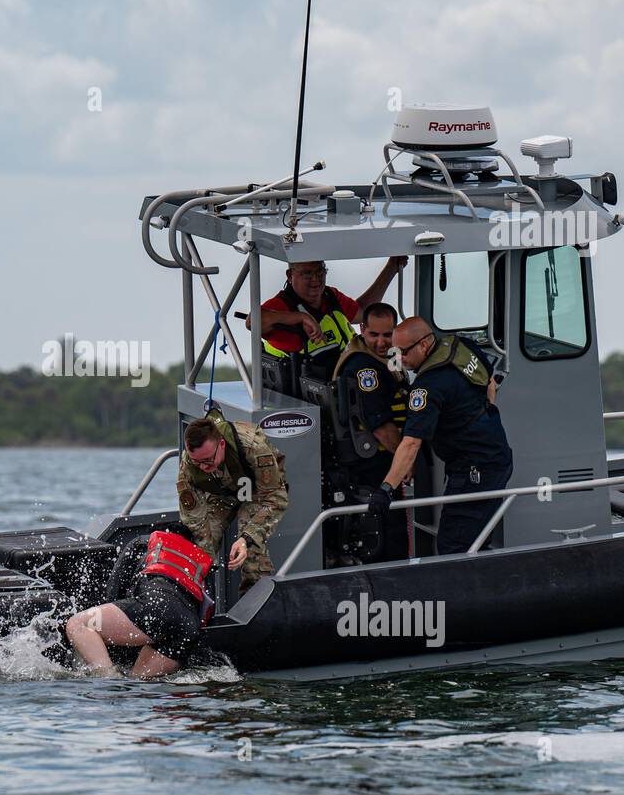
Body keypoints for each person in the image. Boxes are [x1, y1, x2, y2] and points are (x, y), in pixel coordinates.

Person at [367, 317, 513, 555]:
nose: (398, 358)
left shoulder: (428, 387)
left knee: (454, 547)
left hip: (476, 469)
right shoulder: (462, 347)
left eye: (402, 352)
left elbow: (411, 443)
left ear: (424, 345)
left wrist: (386, 489)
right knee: (474, 539)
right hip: (494, 456)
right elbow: (490, 385)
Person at [64, 530, 213, 678]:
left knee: (78, 624)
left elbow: (114, 590)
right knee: (137, 682)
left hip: (158, 607)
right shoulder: (196, 564)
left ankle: (108, 678)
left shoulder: (143, 542)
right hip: (188, 629)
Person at [330, 302, 410, 562]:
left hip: (381, 458)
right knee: (393, 532)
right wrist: (406, 461)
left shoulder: (387, 356)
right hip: (377, 461)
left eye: (387, 335)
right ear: (362, 329)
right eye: (374, 335)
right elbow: (381, 426)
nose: (381, 342)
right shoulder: (366, 368)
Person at [176, 411, 290, 592]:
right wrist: (206, 556)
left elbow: (276, 498)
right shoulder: (189, 465)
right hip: (223, 493)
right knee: (197, 548)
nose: (204, 468)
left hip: (260, 492)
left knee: (251, 553)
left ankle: (259, 600)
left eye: (208, 460)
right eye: (198, 463)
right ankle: (195, 595)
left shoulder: (252, 446)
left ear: (221, 444)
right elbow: (194, 518)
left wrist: (247, 538)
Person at [247, 257, 407, 380]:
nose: (315, 279)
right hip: (314, 392)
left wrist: (391, 267)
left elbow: (362, 311)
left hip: (351, 376)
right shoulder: (279, 305)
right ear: (290, 275)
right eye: (307, 274)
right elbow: (252, 322)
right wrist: (301, 317)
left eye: (320, 272)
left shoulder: (330, 296)